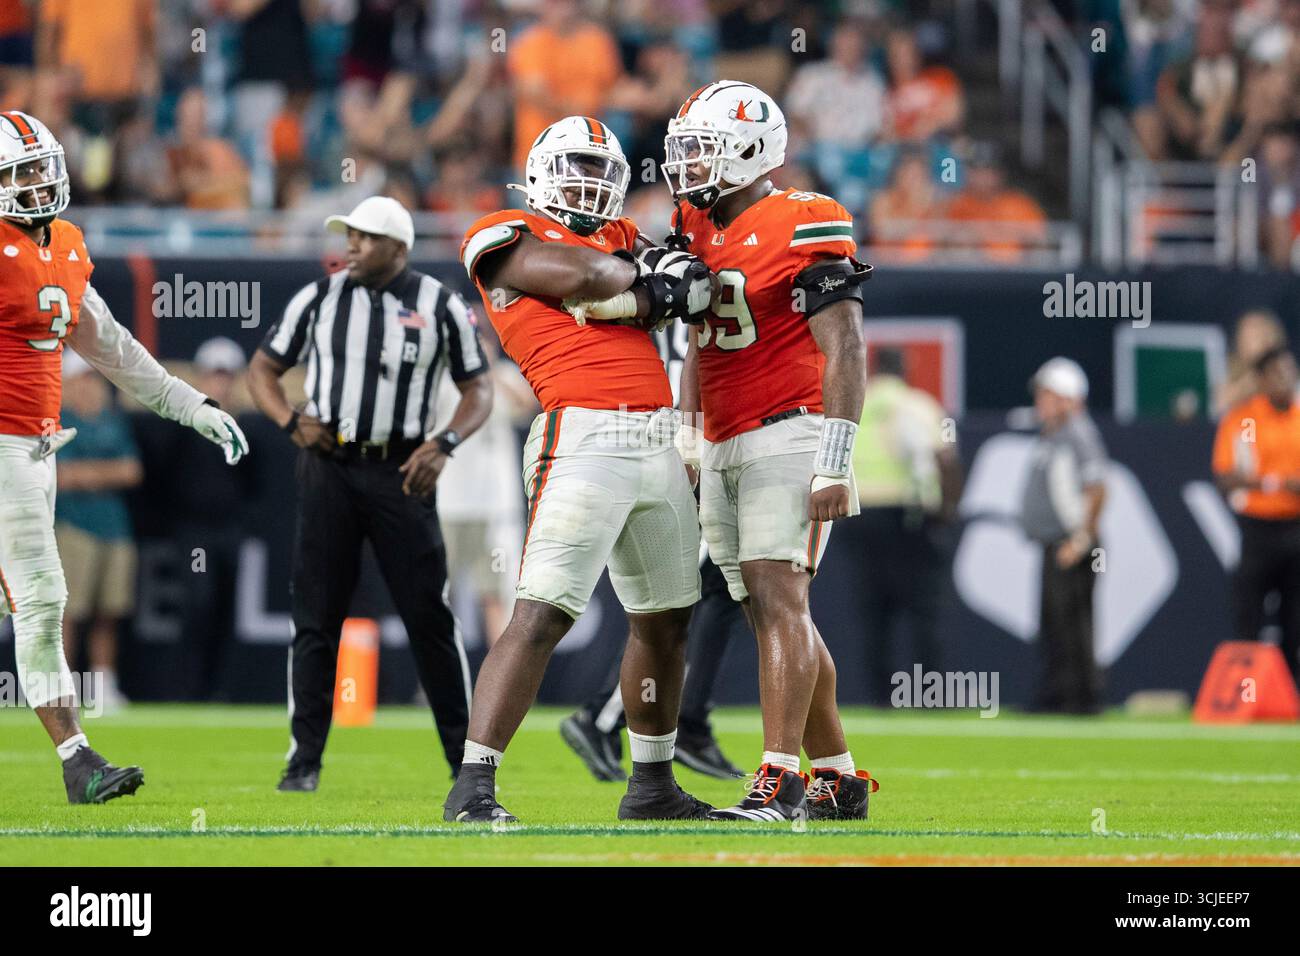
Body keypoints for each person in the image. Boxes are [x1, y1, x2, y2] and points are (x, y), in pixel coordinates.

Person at [580, 81, 881, 820]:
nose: (687, 166)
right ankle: (837, 776)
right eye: (683, 151)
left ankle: (777, 779)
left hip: (792, 427)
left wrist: (835, 460)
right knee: (766, 608)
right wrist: (688, 435)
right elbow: (695, 336)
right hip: (722, 435)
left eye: (703, 149)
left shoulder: (808, 219)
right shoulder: (693, 220)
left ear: (754, 150)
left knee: (781, 599)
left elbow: (844, 347)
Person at [442, 115, 715, 824]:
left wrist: (654, 284)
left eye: (601, 171)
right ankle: (473, 786)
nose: (590, 183)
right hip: (581, 433)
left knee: (666, 621)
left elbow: (691, 282)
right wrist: (653, 289)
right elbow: (581, 274)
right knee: (541, 613)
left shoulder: (623, 237)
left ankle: (651, 784)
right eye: (576, 167)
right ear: (535, 171)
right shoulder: (498, 232)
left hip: (658, 439)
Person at [0, 110, 247, 804]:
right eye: (19, 174)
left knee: (21, 600)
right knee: (43, 597)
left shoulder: (66, 245)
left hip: (37, 448)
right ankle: (78, 761)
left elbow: (114, 352)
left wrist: (193, 405)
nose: (37, 183)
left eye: (42, 167)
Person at [247, 195, 492, 792]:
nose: (351, 246)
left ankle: (464, 765)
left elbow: (478, 389)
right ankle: (303, 760)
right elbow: (262, 370)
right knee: (316, 617)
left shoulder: (438, 304)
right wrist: (287, 421)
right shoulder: (319, 298)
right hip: (329, 465)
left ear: (399, 248)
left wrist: (445, 443)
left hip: (400, 468)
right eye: (348, 235)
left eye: (365, 237)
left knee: (429, 618)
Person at [846, 346, 962, 705]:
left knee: (873, 613)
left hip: (858, 515)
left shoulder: (854, 405)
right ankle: (931, 696)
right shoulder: (916, 405)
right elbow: (944, 459)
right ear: (904, 369)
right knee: (924, 610)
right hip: (907, 518)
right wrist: (945, 512)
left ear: (874, 369)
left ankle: (880, 697)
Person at [54, 350, 142, 713]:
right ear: (68, 383)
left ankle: (104, 684)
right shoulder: (57, 420)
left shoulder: (112, 420)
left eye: (94, 377)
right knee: (70, 613)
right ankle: (64, 687)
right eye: (83, 377)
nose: (90, 385)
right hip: (74, 528)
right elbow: (60, 476)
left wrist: (87, 474)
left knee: (109, 610)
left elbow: (132, 471)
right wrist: (104, 473)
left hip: (114, 529)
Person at [1019, 357, 1108, 715]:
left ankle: (1081, 698)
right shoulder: (1054, 435)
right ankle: (1058, 695)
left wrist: (1081, 539)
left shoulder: (1077, 432)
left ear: (1070, 398)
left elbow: (1098, 487)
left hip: (1071, 543)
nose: (1041, 402)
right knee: (1054, 624)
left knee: (1073, 625)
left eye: (1049, 395)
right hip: (1056, 544)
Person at [1212, 344, 1300, 686]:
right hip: (1257, 529)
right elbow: (1224, 477)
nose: (1286, 379)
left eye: (1290, 371)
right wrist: (1269, 482)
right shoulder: (1243, 417)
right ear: (1262, 379)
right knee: (1248, 615)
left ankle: (1291, 698)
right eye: (1278, 372)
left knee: (1295, 620)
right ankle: (1245, 694)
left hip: (1296, 528)